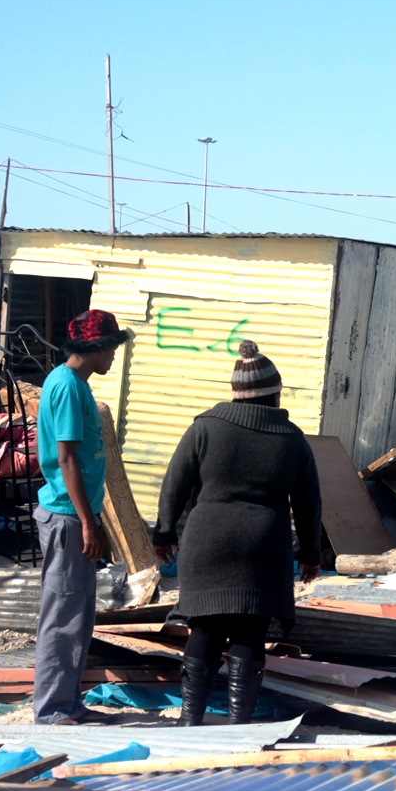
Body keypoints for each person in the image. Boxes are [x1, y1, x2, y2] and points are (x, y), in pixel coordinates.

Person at [153, 341, 322, 725]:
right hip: (264, 544)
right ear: (274, 393)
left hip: (207, 539)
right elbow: (309, 504)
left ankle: (189, 719)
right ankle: (237, 724)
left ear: (236, 392)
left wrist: (163, 533)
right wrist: (311, 554)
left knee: (206, 626)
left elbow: (174, 484)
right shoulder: (292, 438)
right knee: (250, 630)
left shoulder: (205, 428)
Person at [32, 309, 129, 725]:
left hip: (74, 514)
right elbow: (67, 459)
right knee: (62, 616)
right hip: (68, 518)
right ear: (96, 349)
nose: (113, 359)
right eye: (111, 350)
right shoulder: (68, 387)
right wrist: (89, 522)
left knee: (78, 617)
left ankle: (68, 704)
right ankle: (53, 710)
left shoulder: (74, 383)